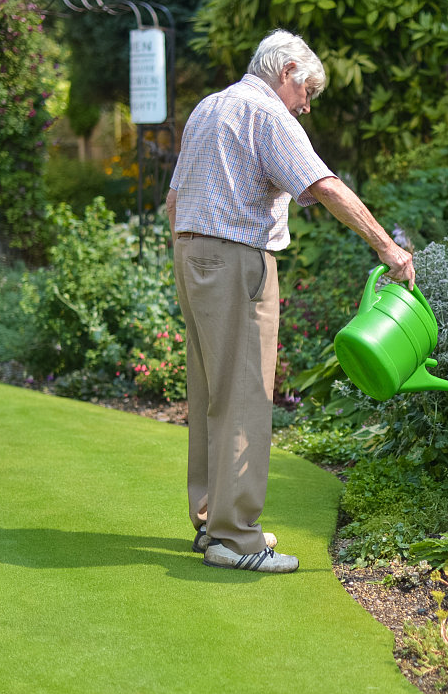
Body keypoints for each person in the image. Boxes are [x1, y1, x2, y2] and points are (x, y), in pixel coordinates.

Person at [165, 29, 414, 574]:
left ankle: (212, 521)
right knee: (245, 394)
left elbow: (174, 199)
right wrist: (388, 247)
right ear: (286, 73)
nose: (306, 105)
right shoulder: (266, 112)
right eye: (308, 91)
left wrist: (192, 257)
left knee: (210, 391)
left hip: (190, 252)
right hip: (236, 258)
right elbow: (324, 185)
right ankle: (236, 537)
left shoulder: (208, 107)